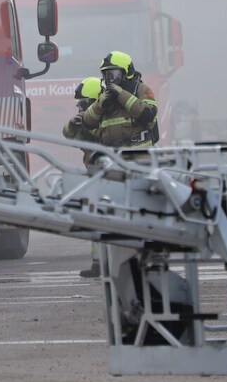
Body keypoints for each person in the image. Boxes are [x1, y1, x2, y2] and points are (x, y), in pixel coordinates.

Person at [76, 51, 160, 277]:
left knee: (141, 211)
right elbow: (88, 122)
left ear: (126, 72)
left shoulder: (141, 90)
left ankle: (145, 260)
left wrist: (122, 95)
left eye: (113, 74)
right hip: (112, 162)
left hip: (139, 159)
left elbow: (149, 115)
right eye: (106, 76)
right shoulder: (105, 96)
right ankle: (101, 263)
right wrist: (102, 103)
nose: (109, 80)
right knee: (105, 210)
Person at [65, 76, 106, 278]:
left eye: (84, 103)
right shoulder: (87, 120)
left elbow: (107, 138)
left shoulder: (107, 119)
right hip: (95, 174)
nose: (80, 107)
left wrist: (89, 125)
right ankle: (98, 263)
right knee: (95, 220)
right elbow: (70, 136)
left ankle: (114, 262)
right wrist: (75, 124)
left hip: (108, 176)